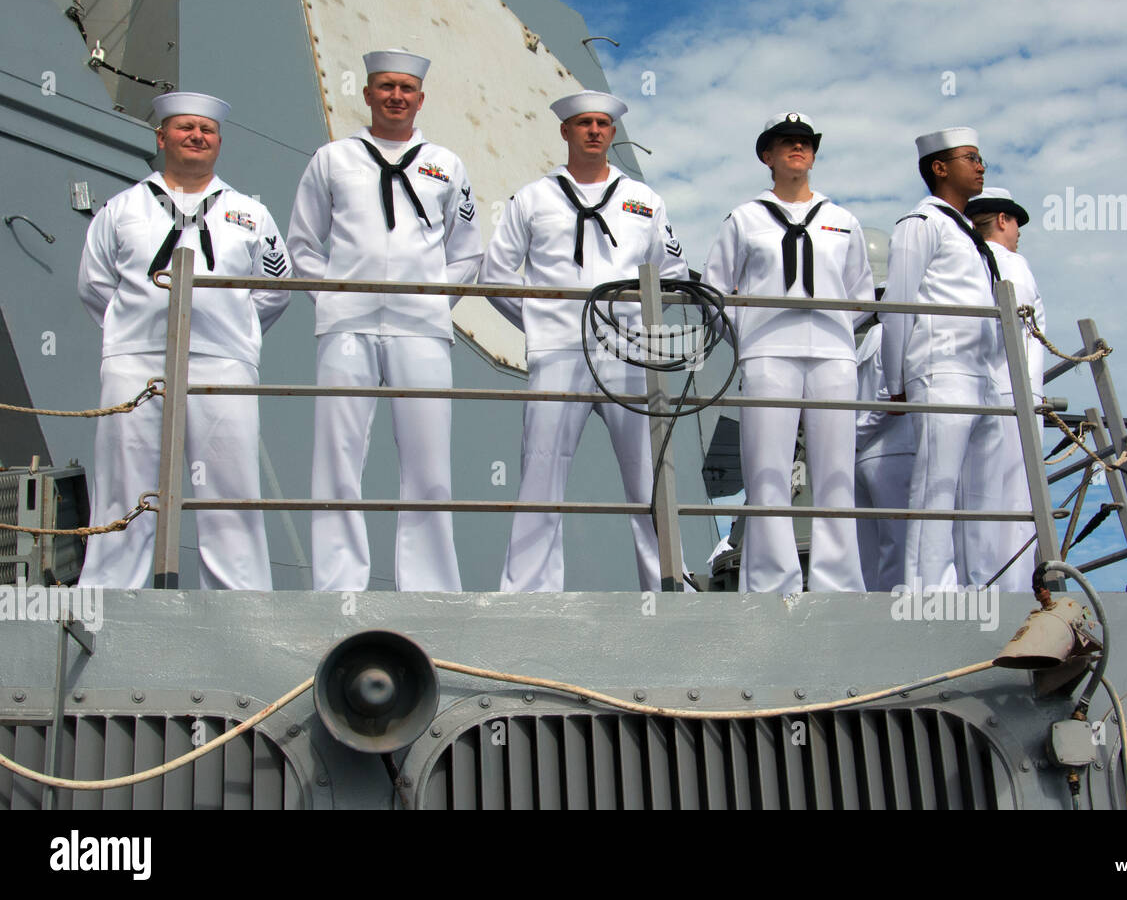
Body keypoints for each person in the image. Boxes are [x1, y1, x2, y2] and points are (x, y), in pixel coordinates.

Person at [77, 91, 290, 589]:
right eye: (185, 128)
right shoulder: (121, 209)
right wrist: (136, 329)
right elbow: (94, 284)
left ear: (218, 141)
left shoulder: (249, 214)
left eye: (207, 130)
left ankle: (241, 601)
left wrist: (228, 331)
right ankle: (110, 597)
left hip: (222, 364)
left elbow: (275, 289)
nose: (197, 136)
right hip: (136, 363)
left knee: (229, 488)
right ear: (162, 136)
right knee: (124, 485)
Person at [287, 49, 481, 591]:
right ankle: (338, 585)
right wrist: (332, 298)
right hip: (346, 325)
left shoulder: (446, 164)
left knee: (428, 462)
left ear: (420, 99)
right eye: (386, 87)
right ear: (368, 93)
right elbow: (303, 242)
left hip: (420, 328)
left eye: (406, 89)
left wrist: (434, 302)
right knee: (337, 456)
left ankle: (430, 586)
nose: (396, 96)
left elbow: (468, 253)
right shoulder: (332, 159)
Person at [483, 89, 688, 591]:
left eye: (602, 123)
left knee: (650, 476)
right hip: (559, 352)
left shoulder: (645, 200)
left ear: (612, 133)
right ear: (565, 132)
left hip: (629, 352)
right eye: (583, 123)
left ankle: (665, 586)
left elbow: (674, 271)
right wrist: (541, 323)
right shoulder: (533, 198)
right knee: (541, 473)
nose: (594, 130)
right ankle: (529, 592)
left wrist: (644, 330)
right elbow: (496, 273)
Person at [703, 113, 872, 594]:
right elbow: (715, 292)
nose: (797, 149)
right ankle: (771, 583)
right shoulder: (744, 218)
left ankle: (838, 583)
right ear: (767, 156)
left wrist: (836, 331)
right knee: (767, 471)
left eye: (805, 143)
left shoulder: (842, 221)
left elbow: (861, 295)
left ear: (813, 154)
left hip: (833, 355)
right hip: (768, 353)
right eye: (786, 143)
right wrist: (750, 338)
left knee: (836, 471)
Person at [881, 127, 1003, 589]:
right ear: (939, 167)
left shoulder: (967, 233)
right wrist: (897, 380)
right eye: (970, 157)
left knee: (978, 492)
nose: (980, 166)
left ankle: (979, 583)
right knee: (937, 484)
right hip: (942, 368)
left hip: (981, 374)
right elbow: (899, 306)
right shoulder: (922, 223)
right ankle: (926, 587)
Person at [967, 187, 1044, 591]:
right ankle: (1011, 593)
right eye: (1015, 223)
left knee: (977, 501)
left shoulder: (970, 261)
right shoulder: (1010, 261)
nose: (1018, 232)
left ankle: (978, 586)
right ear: (1001, 220)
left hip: (977, 391)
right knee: (1015, 503)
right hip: (1015, 395)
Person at [853, 232, 916, 591]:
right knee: (902, 547)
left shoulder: (859, 346)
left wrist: (851, 443)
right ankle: (902, 618)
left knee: (871, 553)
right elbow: (889, 397)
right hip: (894, 452)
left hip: (863, 459)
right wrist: (856, 437)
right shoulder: (888, 337)